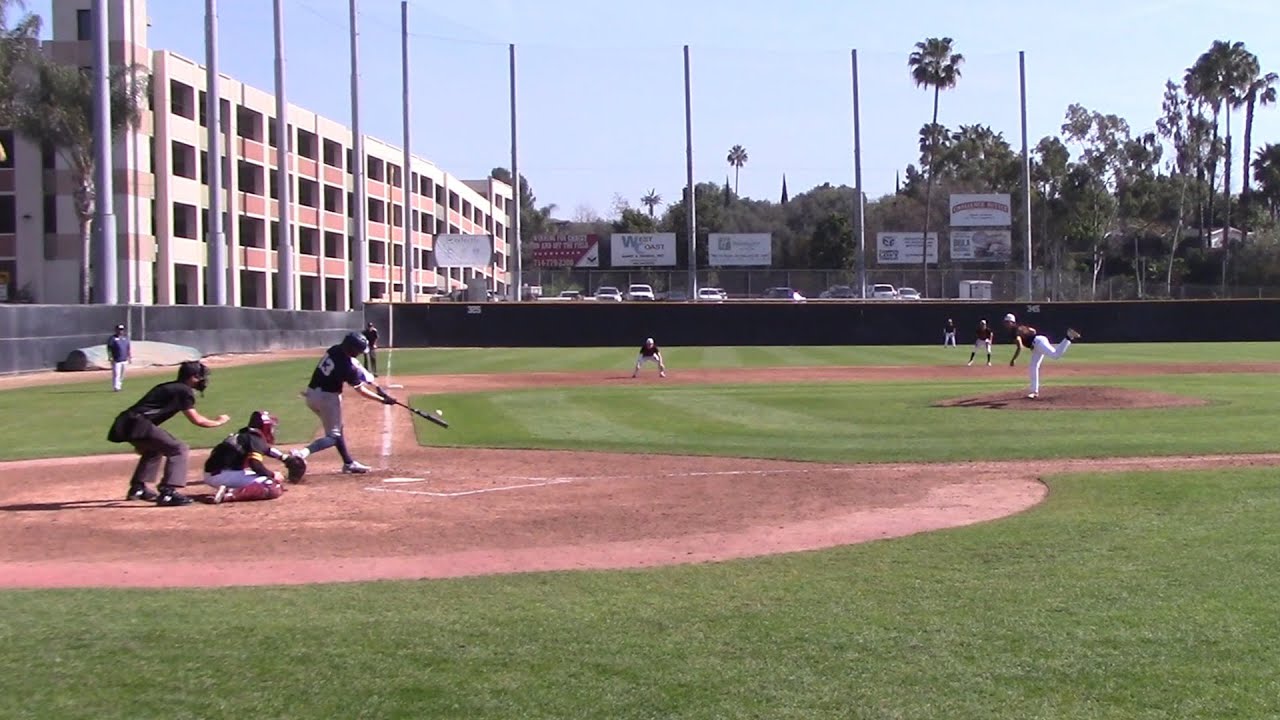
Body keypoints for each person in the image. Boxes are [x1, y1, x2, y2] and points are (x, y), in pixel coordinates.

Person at [106, 360, 230, 506]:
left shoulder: (170, 387)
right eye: (200, 376)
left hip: (127, 422)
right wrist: (219, 421)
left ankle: (138, 488)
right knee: (179, 449)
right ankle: (168, 492)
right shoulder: (184, 390)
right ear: (192, 377)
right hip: (137, 422)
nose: (203, 380)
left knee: (154, 450)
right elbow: (197, 420)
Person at [290, 331, 397, 474]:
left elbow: (360, 369)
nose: (359, 353)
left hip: (311, 395)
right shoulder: (346, 367)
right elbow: (361, 390)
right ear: (352, 349)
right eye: (358, 351)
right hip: (327, 399)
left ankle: (348, 463)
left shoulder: (335, 349)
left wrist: (378, 388)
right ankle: (302, 453)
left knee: (337, 429)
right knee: (334, 437)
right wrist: (382, 400)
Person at [203, 410, 291, 504]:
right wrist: (273, 475)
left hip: (215, 473)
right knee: (271, 485)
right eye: (270, 427)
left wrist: (284, 458)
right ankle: (229, 494)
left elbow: (266, 449)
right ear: (264, 427)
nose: (272, 430)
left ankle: (230, 489)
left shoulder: (246, 435)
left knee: (259, 478)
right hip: (224, 475)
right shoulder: (255, 439)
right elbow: (255, 464)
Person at [1003, 313, 1082, 399]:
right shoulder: (1021, 327)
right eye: (1005, 322)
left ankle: (1068, 337)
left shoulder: (1014, 332)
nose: (1006, 324)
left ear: (1012, 322)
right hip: (1038, 342)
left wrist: (1013, 359)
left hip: (1038, 343)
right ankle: (1034, 392)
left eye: (1008, 322)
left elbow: (1019, 347)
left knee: (1055, 355)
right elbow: (1033, 331)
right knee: (1033, 367)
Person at [107, 324, 131, 392]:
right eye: (119, 330)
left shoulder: (125, 338)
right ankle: (116, 387)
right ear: (116, 330)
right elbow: (109, 348)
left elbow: (128, 348)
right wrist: (110, 356)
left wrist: (129, 357)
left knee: (122, 374)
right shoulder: (113, 338)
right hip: (116, 359)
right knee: (116, 374)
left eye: (122, 330)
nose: (120, 331)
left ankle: (119, 386)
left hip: (124, 359)